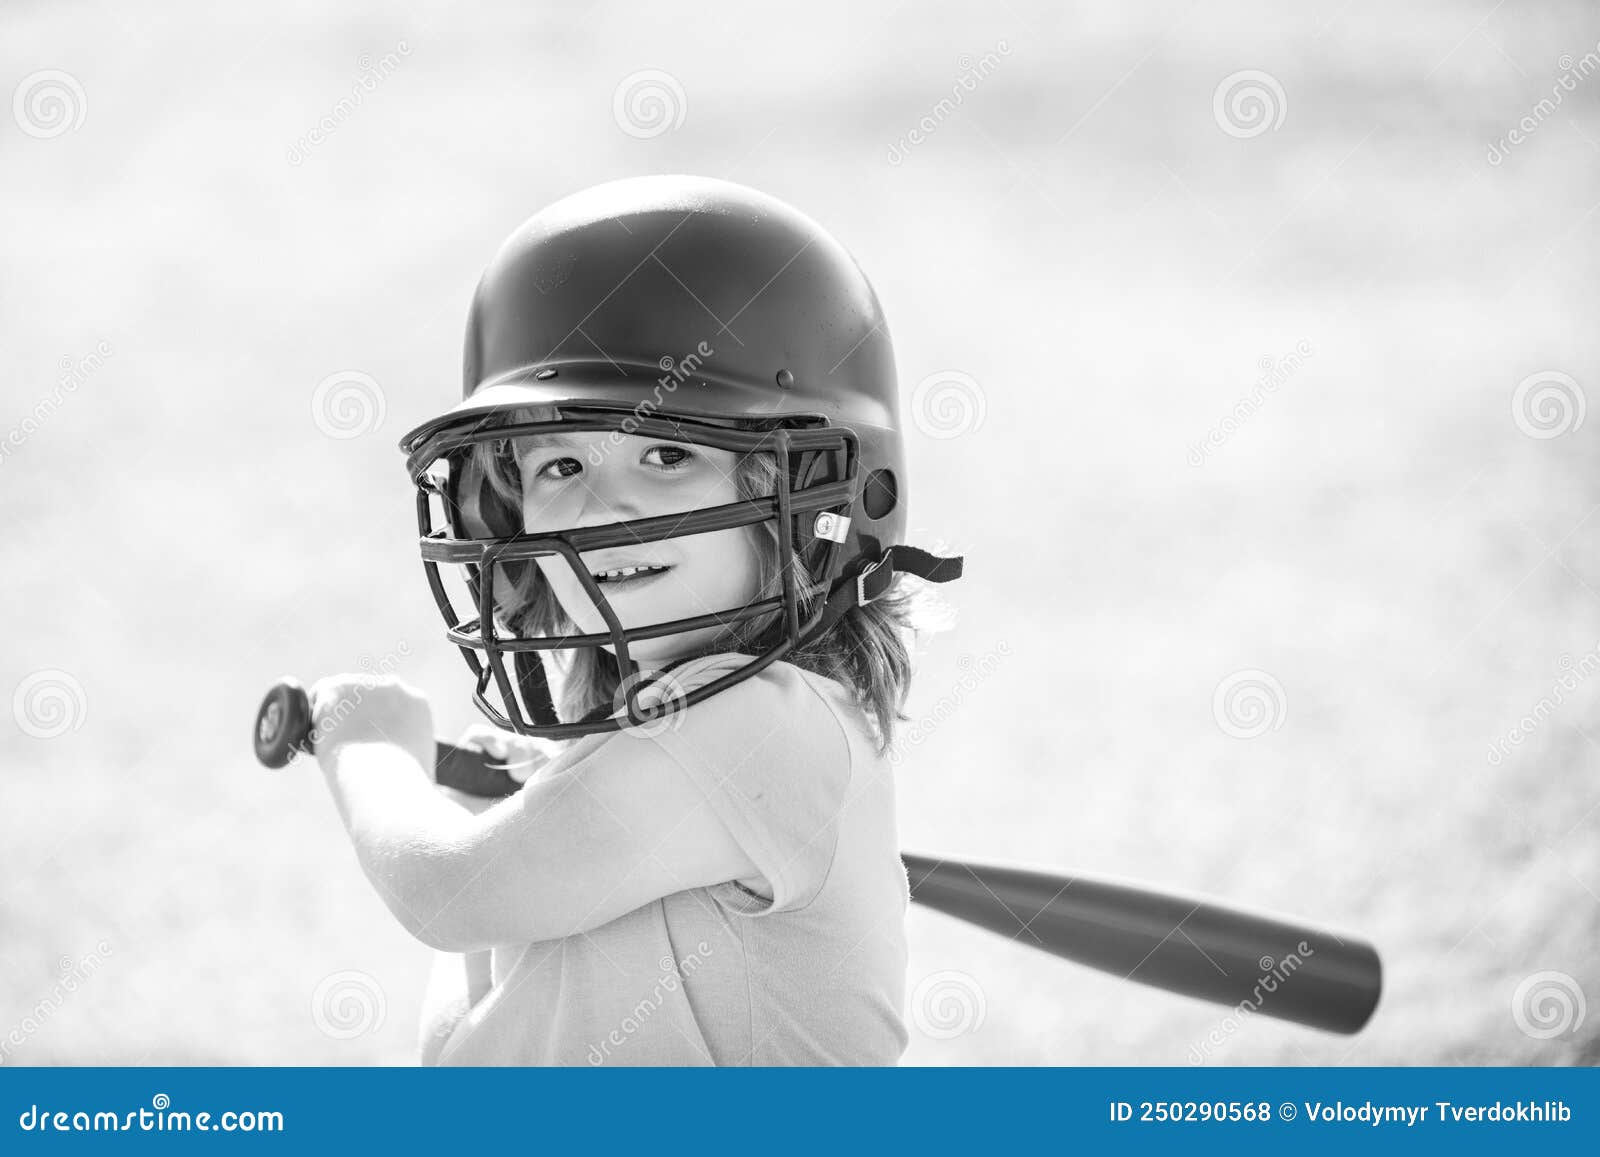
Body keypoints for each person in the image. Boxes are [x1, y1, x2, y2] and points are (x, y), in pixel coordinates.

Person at [309, 175, 964, 1065]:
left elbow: (453, 892)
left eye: (665, 453)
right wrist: (510, 802)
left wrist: (370, 751)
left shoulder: (763, 729)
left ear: (811, 493)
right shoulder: (672, 747)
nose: (597, 508)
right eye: (558, 466)